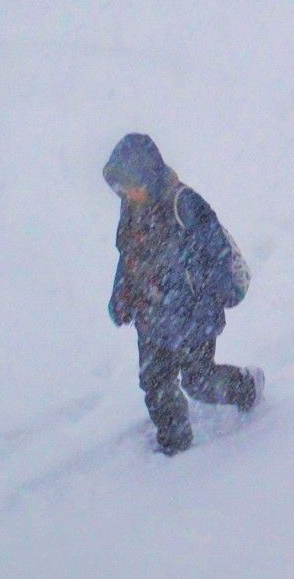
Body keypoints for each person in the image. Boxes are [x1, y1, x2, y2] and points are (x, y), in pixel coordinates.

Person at [103, 133, 264, 456]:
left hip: (192, 315)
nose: (127, 193)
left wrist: (214, 300)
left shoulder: (184, 204)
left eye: (132, 184)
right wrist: (120, 296)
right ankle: (174, 443)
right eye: (121, 187)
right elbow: (128, 257)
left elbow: (217, 251)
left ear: (148, 175)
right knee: (154, 381)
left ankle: (245, 387)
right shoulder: (131, 210)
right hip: (150, 315)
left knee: (198, 380)